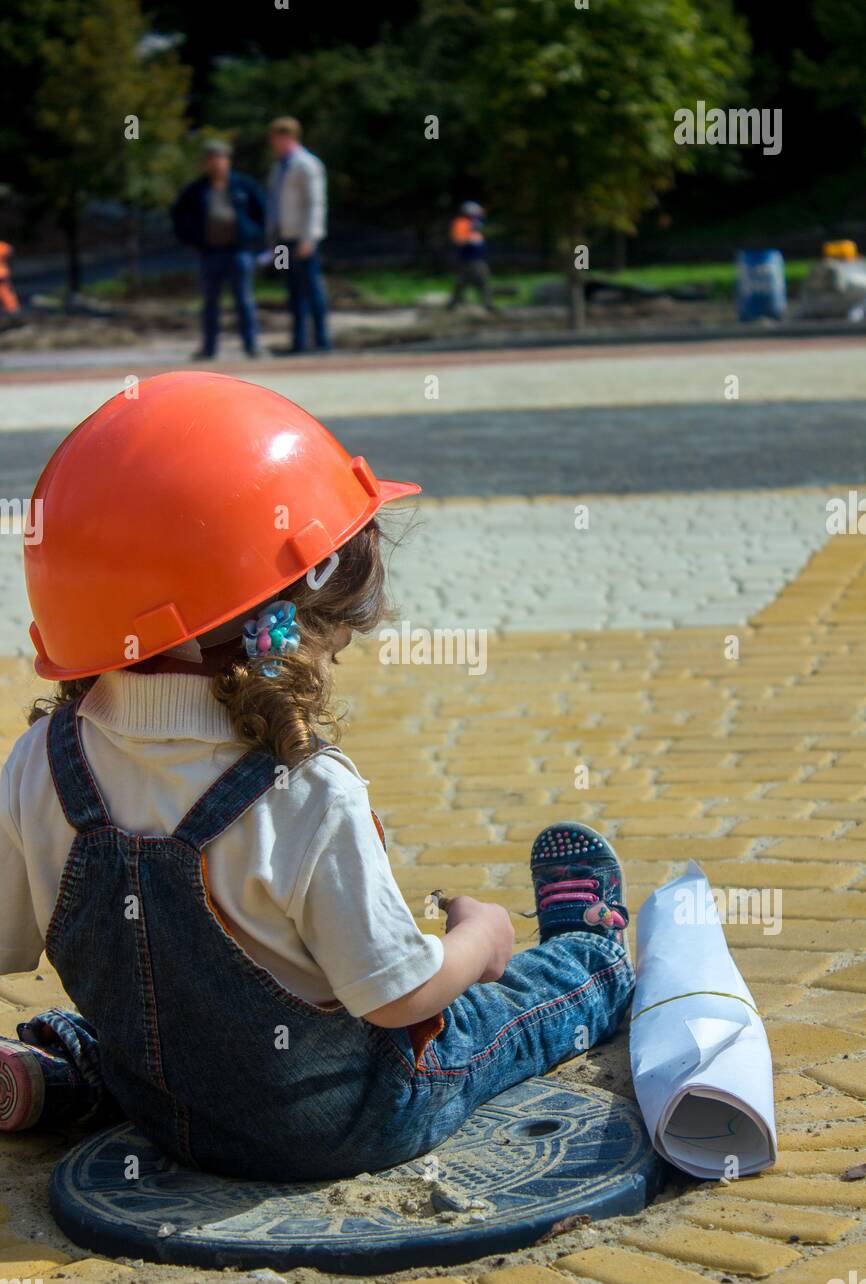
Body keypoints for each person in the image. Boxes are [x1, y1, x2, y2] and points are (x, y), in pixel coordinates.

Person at [0, 372, 633, 1179]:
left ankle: (71, 1075)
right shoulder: (305, 788)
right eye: (332, 647)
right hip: (343, 1125)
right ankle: (592, 959)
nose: (331, 666)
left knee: (151, 1020)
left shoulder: (39, 763)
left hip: (170, 1116)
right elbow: (397, 998)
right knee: (492, 1015)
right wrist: (479, 940)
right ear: (291, 629)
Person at [171, 139, 266, 360]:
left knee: (244, 300)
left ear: (228, 161)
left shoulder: (245, 186)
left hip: (239, 252)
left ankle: (252, 346)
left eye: (220, 159)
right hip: (210, 253)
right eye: (212, 160)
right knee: (210, 302)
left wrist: (253, 236)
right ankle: (209, 348)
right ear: (205, 163)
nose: (217, 165)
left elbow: (263, 214)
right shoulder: (196, 190)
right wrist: (192, 239)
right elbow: (178, 216)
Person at [266, 116, 330, 353]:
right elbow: (274, 204)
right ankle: (299, 342)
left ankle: (322, 340)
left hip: (301, 239)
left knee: (312, 288)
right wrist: (272, 237)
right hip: (283, 238)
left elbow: (316, 203)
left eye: (276, 138)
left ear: (288, 137)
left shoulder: (307, 164)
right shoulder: (278, 167)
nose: (273, 143)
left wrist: (309, 238)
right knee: (292, 290)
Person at [448, 201, 498, 313]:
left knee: (464, 281)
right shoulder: (462, 223)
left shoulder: (475, 223)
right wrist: (470, 234)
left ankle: (453, 303)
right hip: (469, 258)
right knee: (479, 280)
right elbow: (459, 240)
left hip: (476, 258)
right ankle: (487, 304)